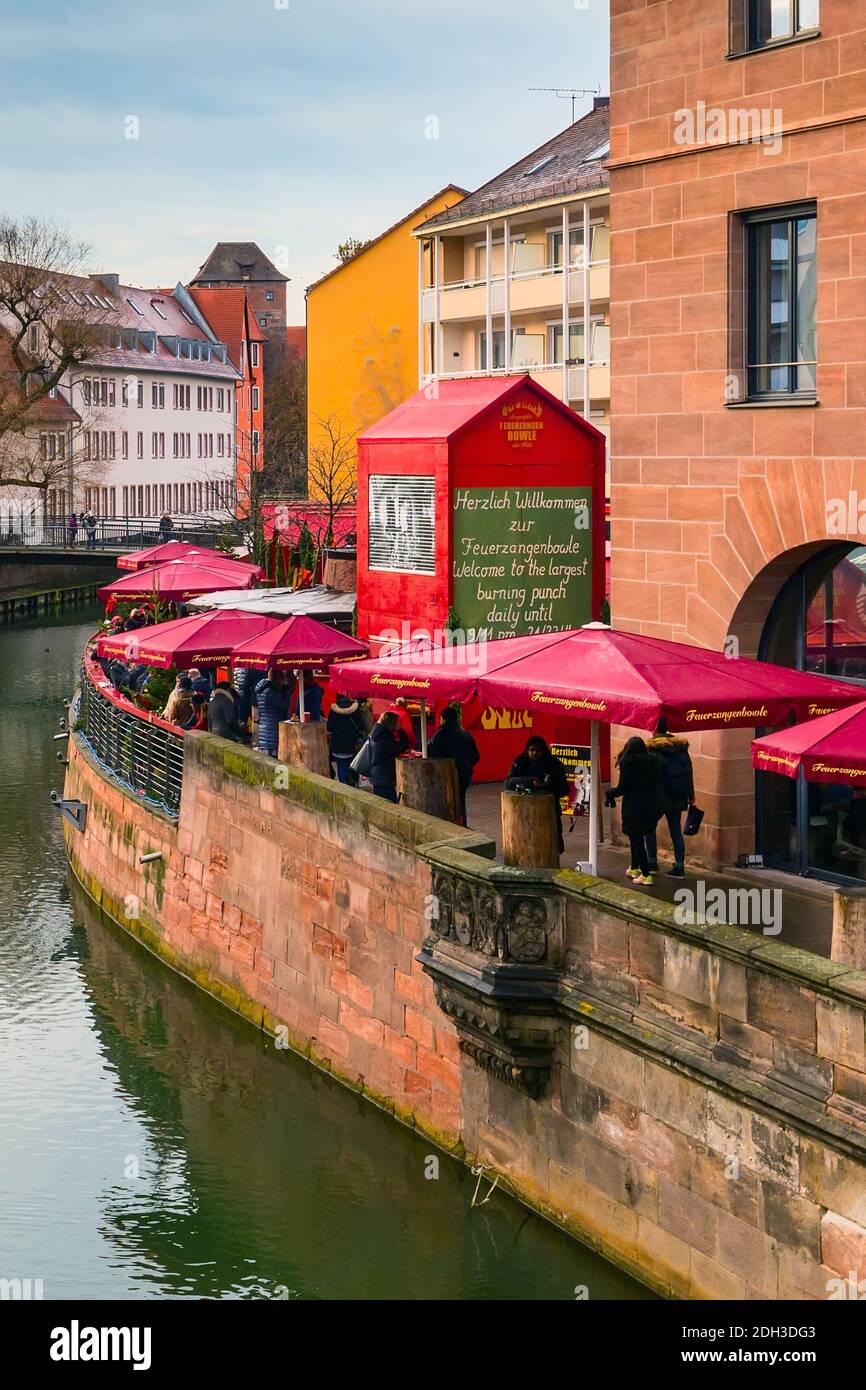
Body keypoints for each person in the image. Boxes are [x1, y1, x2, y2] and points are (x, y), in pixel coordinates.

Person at [606, 736, 662, 886]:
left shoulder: (628, 763)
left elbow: (622, 788)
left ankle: (645, 874)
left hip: (633, 806)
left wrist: (610, 793)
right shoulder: (652, 762)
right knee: (636, 837)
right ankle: (635, 868)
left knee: (636, 839)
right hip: (649, 805)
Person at [645, 721, 695, 878]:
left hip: (657, 796)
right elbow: (689, 771)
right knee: (675, 831)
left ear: (654, 729)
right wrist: (691, 795)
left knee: (649, 828)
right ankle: (679, 866)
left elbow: (650, 775)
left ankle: (651, 862)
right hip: (678, 795)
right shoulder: (681, 748)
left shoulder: (652, 749)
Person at [505, 736, 570, 854]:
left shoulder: (553, 764)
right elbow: (508, 782)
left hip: (548, 811)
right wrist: (530, 781)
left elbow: (565, 789)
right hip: (525, 811)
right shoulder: (520, 762)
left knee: (550, 845)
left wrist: (548, 785)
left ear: (543, 751)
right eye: (531, 750)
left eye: (537, 751)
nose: (534, 753)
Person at [428, 705, 480, 826]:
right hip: (464, 774)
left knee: (447, 804)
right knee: (460, 802)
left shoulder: (440, 735)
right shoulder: (465, 735)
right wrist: (467, 765)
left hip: (445, 777)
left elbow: (430, 753)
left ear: (443, 719)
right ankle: (463, 826)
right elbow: (476, 756)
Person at [368, 710, 409, 802]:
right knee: (389, 802)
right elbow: (401, 746)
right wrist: (400, 730)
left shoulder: (377, 733)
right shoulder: (383, 737)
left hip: (378, 774)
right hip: (383, 776)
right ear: (391, 723)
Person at [327, 694, 365, 782]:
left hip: (337, 744)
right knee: (351, 765)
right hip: (352, 743)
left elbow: (329, 728)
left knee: (341, 765)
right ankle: (351, 783)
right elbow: (362, 727)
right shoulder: (355, 709)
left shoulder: (334, 711)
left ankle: (343, 785)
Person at [256, 667, 291, 756]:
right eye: (283, 679)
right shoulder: (272, 691)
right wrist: (287, 693)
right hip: (272, 730)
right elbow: (284, 705)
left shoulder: (261, 689)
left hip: (264, 729)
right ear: (278, 679)